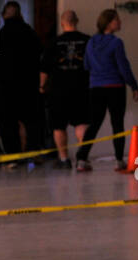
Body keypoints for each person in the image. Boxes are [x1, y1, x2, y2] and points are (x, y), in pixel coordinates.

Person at [76, 9, 138, 172]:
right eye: (116, 20)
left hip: (96, 88)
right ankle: (119, 160)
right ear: (108, 23)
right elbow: (123, 67)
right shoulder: (116, 43)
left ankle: (81, 159)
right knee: (117, 124)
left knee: (94, 124)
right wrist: (134, 86)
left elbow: (86, 65)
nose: (120, 22)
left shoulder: (91, 42)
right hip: (115, 88)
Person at [0, 2, 44, 166]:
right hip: (28, 85)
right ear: (20, 15)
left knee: (6, 123)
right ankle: (33, 153)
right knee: (32, 121)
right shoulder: (30, 33)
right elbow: (40, 55)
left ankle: (12, 157)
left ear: (3, 16)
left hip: (4, 87)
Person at [40, 10, 91, 169]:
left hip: (58, 90)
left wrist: (42, 86)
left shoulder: (54, 42)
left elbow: (44, 68)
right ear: (77, 20)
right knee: (81, 124)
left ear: (62, 23)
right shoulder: (87, 41)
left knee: (58, 126)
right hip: (82, 88)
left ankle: (64, 159)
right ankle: (82, 159)